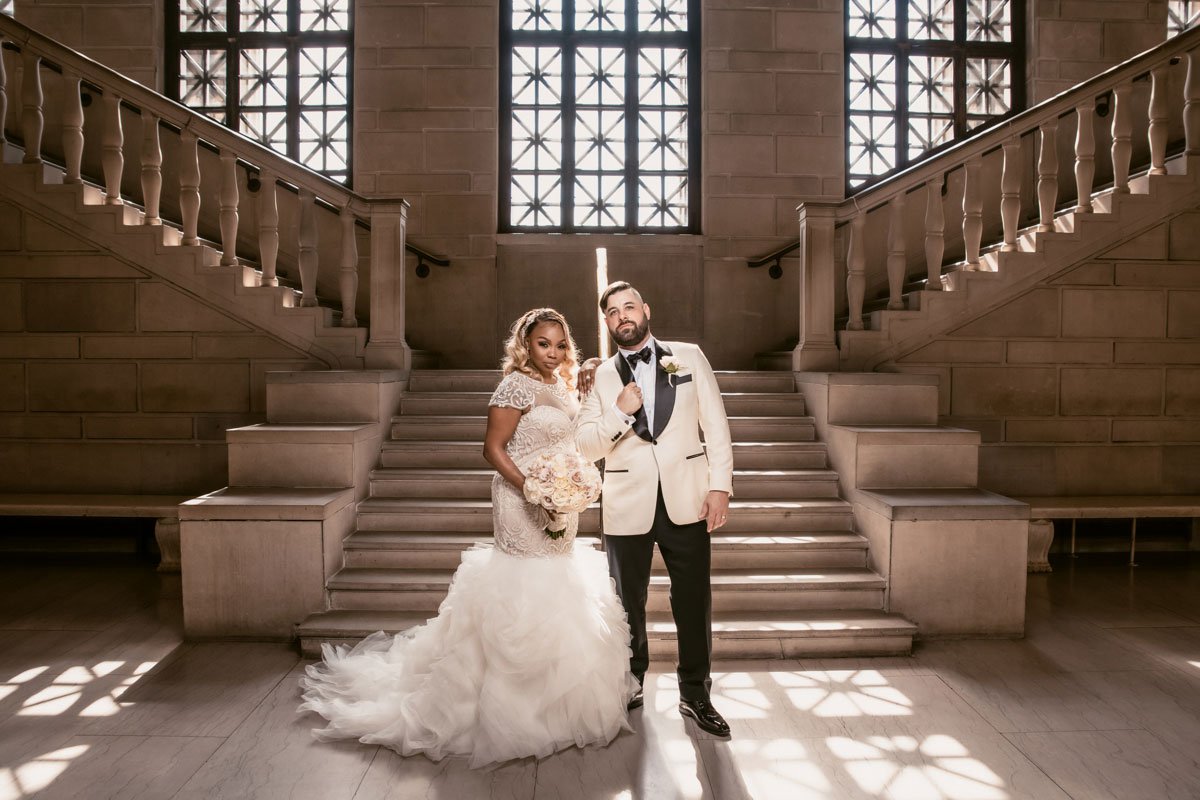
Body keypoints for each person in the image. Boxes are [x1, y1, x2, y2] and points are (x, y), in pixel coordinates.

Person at [299, 308, 639, 768]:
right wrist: (533, 491)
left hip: (561, 501)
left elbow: (574, 437)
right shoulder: (514, 385)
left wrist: (565, 487)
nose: (553, 352)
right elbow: (492, 449)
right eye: (543, 343)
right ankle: (508, 710)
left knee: (560, 586)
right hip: (521, 501)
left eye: (560, 344)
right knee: (522, 589)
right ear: (526, 344)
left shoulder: (563, 384)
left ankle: (554, 708)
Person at [575, 281, 734, 739]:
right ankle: (631, 682)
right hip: (627, 504)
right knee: (629, 603)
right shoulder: (600, 376)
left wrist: (720, 487)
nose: (623, 316)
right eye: (613, 311)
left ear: (646, 309)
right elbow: (586, 446)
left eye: (630, 307)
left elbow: (716, 425)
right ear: (606, 322)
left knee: (693, 600)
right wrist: (620, 413)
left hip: (688, 498)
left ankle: (696, 694)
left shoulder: (688, 355)